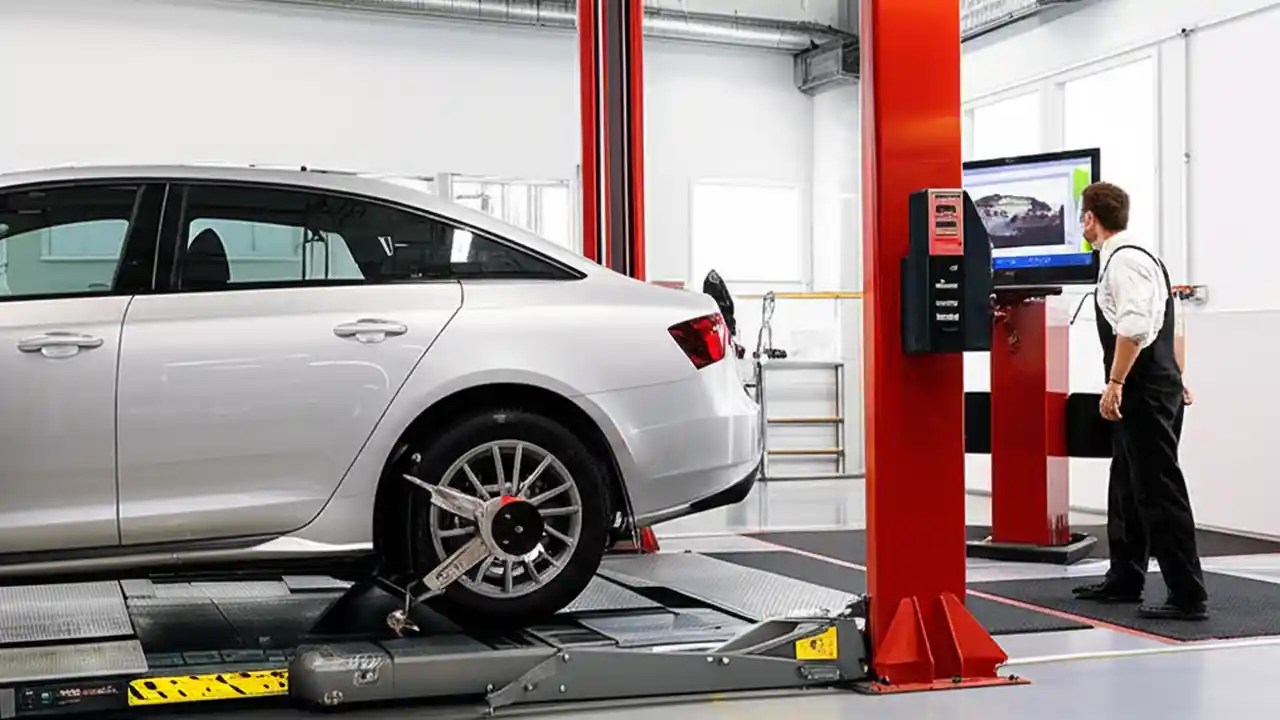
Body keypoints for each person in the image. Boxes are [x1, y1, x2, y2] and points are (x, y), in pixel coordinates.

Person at [1070, 182, 1208, 621]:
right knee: (1126, 484)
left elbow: (1132, 327)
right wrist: (1177, 375)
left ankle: (1188, 595)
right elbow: (1176, 323)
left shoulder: (1124, 262)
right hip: (1155, 382)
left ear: (1091, 218)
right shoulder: (1145, 260)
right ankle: (1125, 577)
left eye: (1081, 216)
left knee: (1158, 489)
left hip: (1142, 387)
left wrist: (1115, 382)